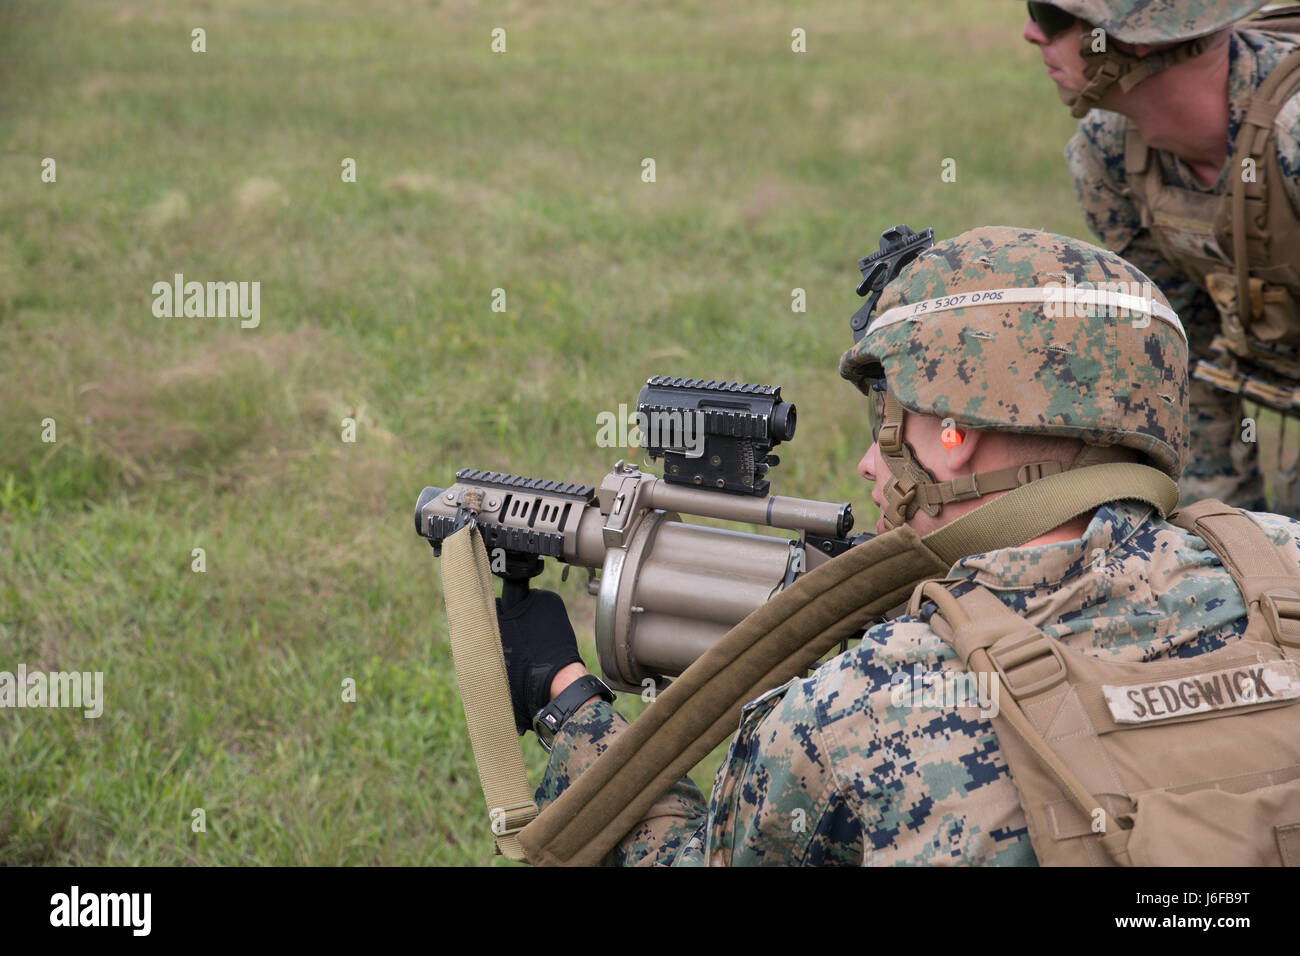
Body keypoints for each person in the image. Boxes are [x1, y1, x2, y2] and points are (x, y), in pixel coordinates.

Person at [500, 226, 1300, 866]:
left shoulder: (858, 710)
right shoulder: (1280, 560)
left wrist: (568, 704)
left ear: (952, 440)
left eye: (888, 415)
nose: (868, 462)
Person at [1021, 0, 1300, 515]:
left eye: (1053, 17)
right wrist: (1225, 533)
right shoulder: (1108, 154)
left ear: (1139, 37)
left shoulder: (1293, 132)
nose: (1031, 33)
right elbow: (1174, 357)